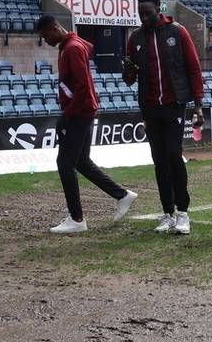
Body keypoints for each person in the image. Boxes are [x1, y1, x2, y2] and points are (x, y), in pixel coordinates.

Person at [36, 14, 137, 235]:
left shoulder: (72, 48)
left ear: (54, 28)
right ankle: (122, 195)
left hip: (80, 112)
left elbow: (82, 87)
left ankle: (76, 219)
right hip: (82, 110)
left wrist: (68, 115)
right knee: (80, 161)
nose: (46, 41)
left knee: (64, 163)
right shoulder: (72, 44)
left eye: (46, 36)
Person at [123, 0, 204, 236]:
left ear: (159, 9)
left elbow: (194, 68)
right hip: (149, 107)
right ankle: (167, 212)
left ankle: (183, 213)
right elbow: (129, 79)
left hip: (174, 104)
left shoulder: (177, 32)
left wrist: (198, 105)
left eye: (148, 13)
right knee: (159, 160)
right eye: (140, 14)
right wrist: (127, 69)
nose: (144, 18)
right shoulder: (135, 38)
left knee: (173, 155)